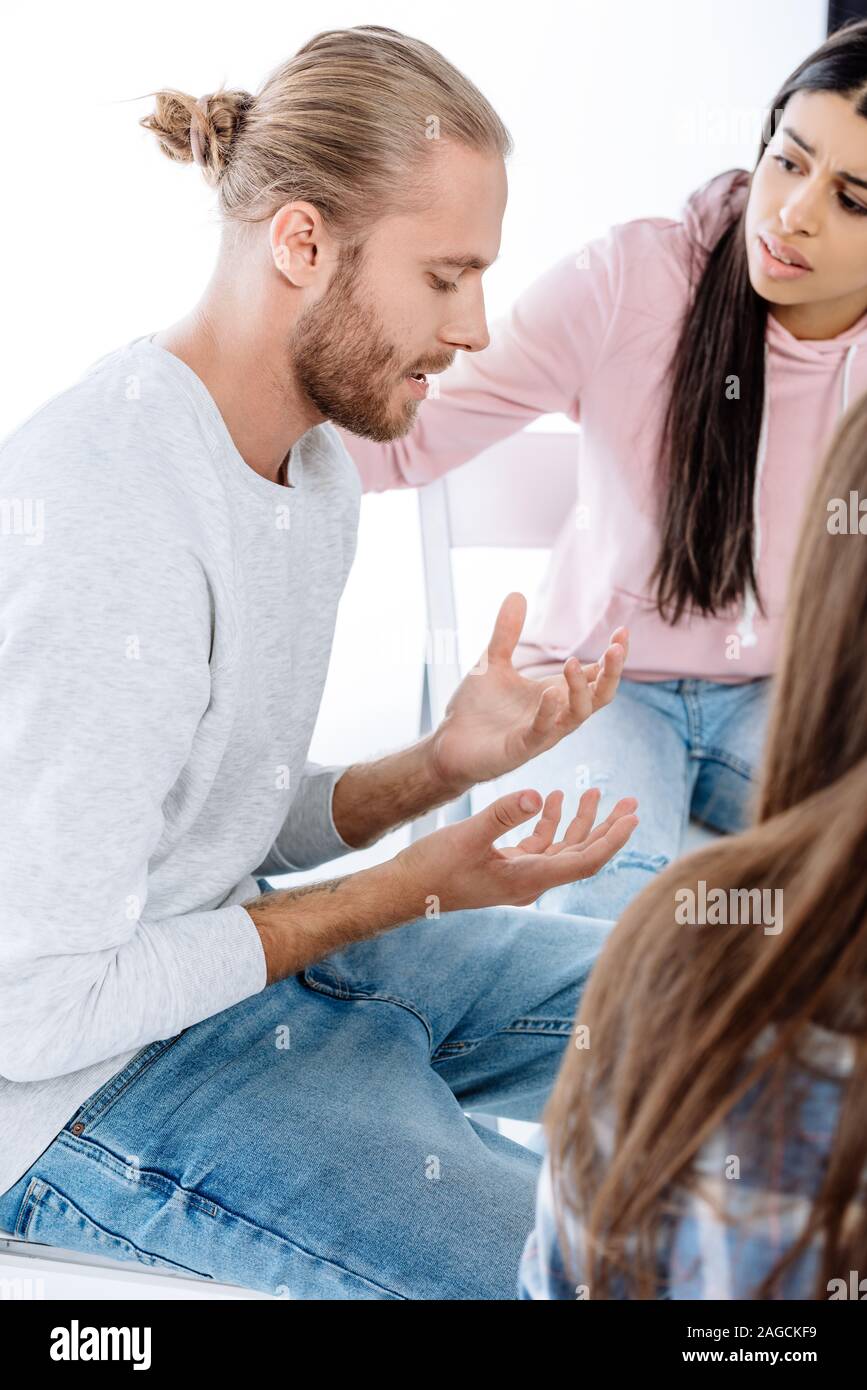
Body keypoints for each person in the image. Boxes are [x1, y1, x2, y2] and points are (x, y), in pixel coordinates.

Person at [0, 26, 638, 1300]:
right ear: (301, 242)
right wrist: (409, 888)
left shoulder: (318, 468)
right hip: (78, 1092)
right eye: (446, 276)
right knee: (600, 1281)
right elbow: (39, 1002)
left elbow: (207, 814)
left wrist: (437, 768)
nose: (474, 328)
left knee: (711, 992)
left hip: (229, 976)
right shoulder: (111, 505)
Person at [340, 18, 867, 923]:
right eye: (789, 160)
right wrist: (233, 429)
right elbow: (411, 437)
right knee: (598, 931)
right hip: (591, 690)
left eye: (853, 198)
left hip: (787, 700)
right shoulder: (633, 279)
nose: (792, 213)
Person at [518, 387, 867, 1300]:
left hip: (760, 692)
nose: (787, 230)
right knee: (608, 880)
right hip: (612, 682)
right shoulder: (624, 282)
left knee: (651, 929)